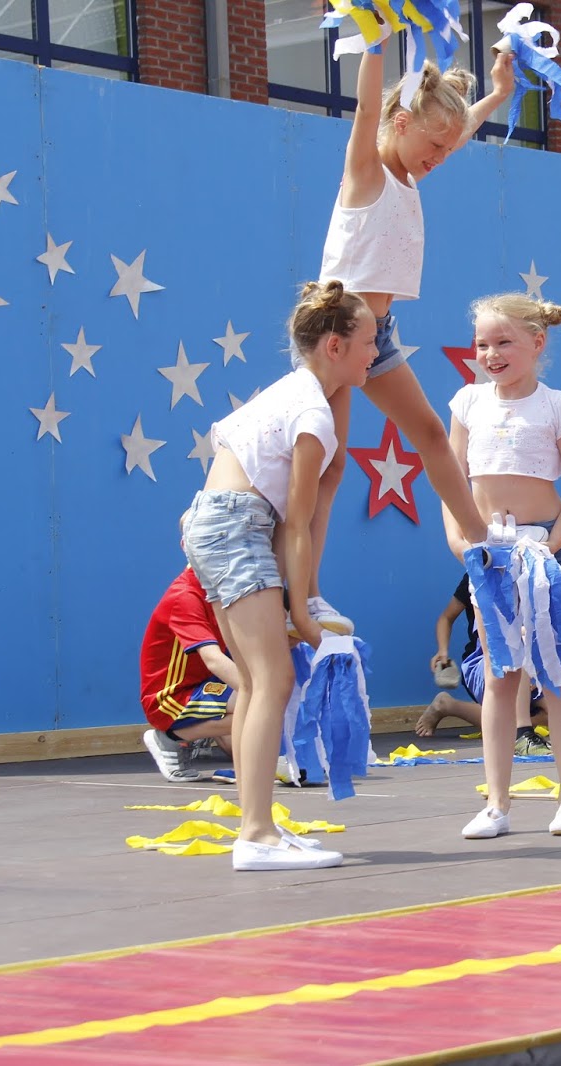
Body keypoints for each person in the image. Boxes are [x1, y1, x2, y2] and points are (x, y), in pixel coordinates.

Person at [303, 37, 514, 633]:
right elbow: (367, 110)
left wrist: (498, 93)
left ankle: (479, 545)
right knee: (331, 465)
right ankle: (308, 593)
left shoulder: (410, 174)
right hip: (337, 334)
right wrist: (373, 43)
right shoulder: (366, 170)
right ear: (400, 123)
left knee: (428, 432)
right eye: (434, 146)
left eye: (448, 150)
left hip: (376, 336)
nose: (441, 157)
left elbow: (458, 124)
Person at [181, 280, 375, 871]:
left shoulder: (295, 392)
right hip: (238, 529)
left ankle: (255, 827)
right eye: (371, 340)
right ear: (336, 346)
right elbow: (296, 521)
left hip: (215, 523)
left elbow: (308, 495)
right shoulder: (311, 414)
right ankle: (257, 836)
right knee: (272, 683)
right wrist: (301, 608)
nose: (378, 352)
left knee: (252, 681)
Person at [445, 293, 561, 839]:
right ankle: (497, 804)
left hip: (542, 554)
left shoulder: (558, 406)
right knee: (499, 676)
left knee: (557, 677)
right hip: (488, 556)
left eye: (504, 342)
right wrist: (461, 541)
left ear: (537, 343)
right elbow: (452, 477)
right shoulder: (467, 403)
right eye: (483, 344)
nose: (492, 353)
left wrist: (553, 542)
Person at [414, 575, 552, 755]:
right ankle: (447, 705)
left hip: (530, 665)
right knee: (509, 714)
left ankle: (516, 724)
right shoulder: (480, 575)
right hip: (485, 662)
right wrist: (442, 651)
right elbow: (446, 618)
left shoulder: (536, 573)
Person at [138, 567, 239, 781]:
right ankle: (170, 737)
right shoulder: (184, 597)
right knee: (258, 701)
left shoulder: (224, 588)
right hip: (169, 698)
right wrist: (261, 691)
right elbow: (213, 659)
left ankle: (201, 733)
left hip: (205, 684)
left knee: (258, 710)